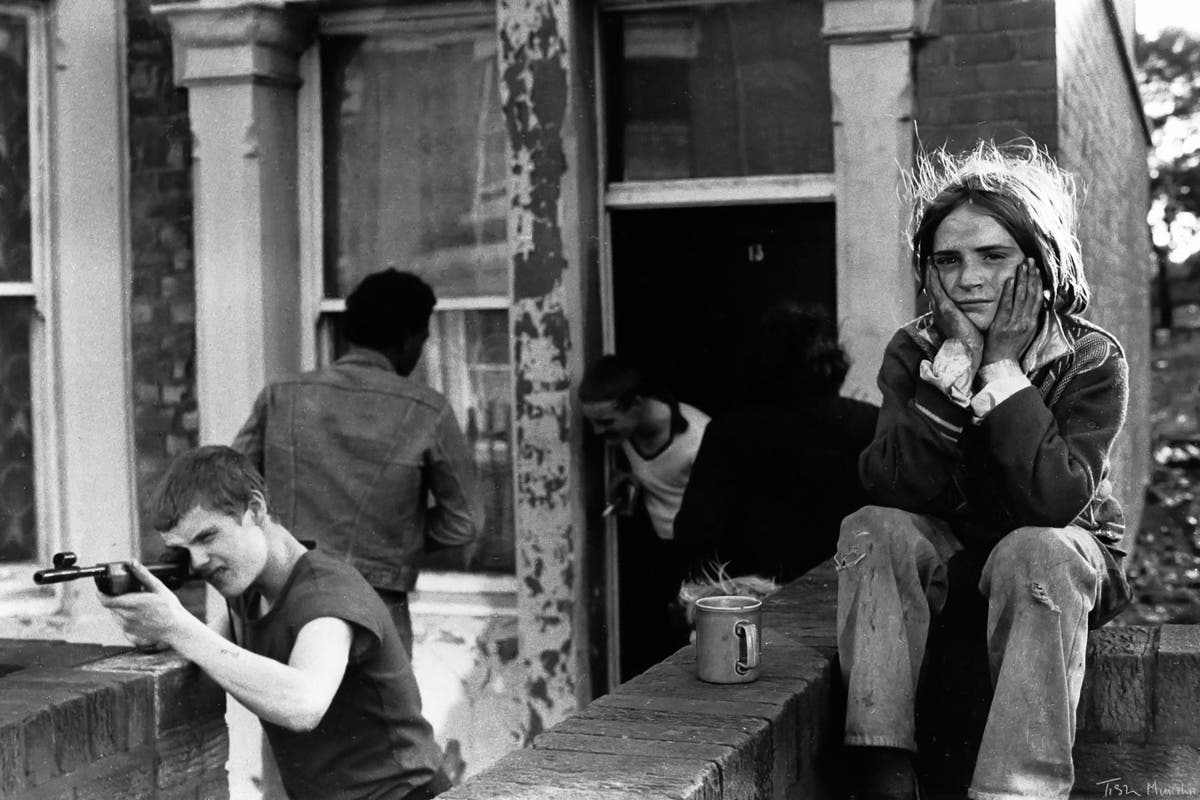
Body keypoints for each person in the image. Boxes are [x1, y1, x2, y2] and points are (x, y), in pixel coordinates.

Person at [838, 141, 1131, 800]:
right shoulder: (914, 349)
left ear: (1041, 264)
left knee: (1034, 549)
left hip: (1059, 561)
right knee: (873, 526)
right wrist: (950, 374)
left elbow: (1054, 501)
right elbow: (893, 486)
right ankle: (883, 764)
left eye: (993, 257)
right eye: (949, 260)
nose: (968, 279)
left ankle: (1016, 791)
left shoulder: (1089, 357)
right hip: (959, 559)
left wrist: (1001, 368)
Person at [100, 446, 452, 800]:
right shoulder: (247, 587)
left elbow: (303, 704)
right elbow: (211, 652)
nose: (198, 562)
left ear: (255, 510)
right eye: (183, 550)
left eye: (207, 537)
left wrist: (176, 626)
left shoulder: (328, 593)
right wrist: (151, 627)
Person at [232, 269, 482, 656]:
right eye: (423, 339)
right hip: (373, 600)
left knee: (291, 711)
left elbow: (229, 489)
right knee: (384, 715)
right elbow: (465, 522)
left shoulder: (281, 397)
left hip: (287, 593)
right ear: (408, 339)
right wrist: (395, 536)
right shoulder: (426, 410)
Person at [673, 302, 878, 583]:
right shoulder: (868, 421)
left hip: (757, 596)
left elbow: (695, 532)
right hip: (847, 590)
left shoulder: (730, 432)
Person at [579, 355, 709, 677]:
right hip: (653, 544)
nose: (597, 432)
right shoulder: (625, 434)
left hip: (695, 551)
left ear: (636, 404)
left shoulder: (699, 437)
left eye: (606, 422)